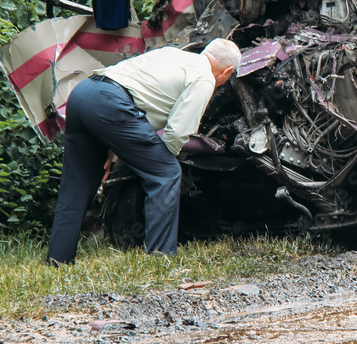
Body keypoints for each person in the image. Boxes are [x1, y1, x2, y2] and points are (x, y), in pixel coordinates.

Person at [46, 38, 241, 265]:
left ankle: (57, 260)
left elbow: (134, 93)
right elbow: (177, 133)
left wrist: (112, 149)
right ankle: (160, 259)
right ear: (227, 71)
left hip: (83, 94)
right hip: (110, 104)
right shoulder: (205, 78)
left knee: (77, 184)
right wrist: (163, 160)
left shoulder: (174, 55)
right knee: (166, 173)